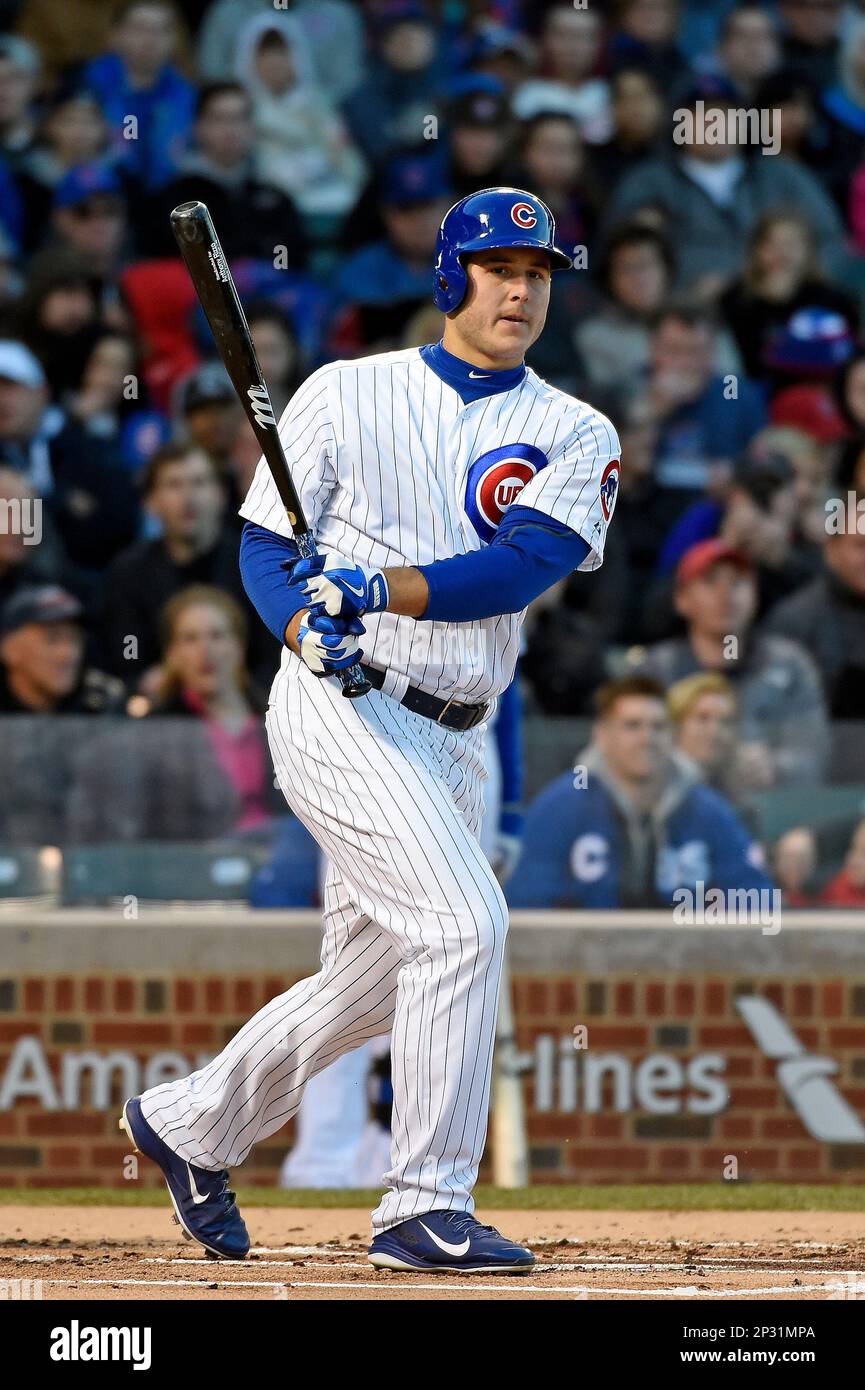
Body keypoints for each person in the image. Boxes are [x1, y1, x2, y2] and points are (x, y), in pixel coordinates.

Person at [119, 186, 620, 1273]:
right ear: (451, 278)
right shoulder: (344, 391)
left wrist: (371, 585)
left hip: (459, 729)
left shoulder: (577, 431)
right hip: (339, 705)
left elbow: (517, 567)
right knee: (464, 928)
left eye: (536, 274)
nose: (518, 291)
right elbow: (261, 549)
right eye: (497, 269)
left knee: (385, 976)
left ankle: (192, 1121)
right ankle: (423, 1201)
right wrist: (308, 622)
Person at [506, 675, 772, 910]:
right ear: (601, 734)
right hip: (580, 961)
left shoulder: (705, 807)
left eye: (658, 727)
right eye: (632, 726)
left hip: (686, 960)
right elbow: (526, 906)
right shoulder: (561, 805)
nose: (647, 738)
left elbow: (757, 900)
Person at [603, 75, 845, 295]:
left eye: (726, 115)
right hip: (682, 316)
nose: (715, 125)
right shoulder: (648, 182)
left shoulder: (783, 176)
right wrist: (684, 292)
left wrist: (798, 284)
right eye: (702, 115)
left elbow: (831, 241)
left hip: (778, 310)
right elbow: (618, 257)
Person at [634, 538, 830, 788]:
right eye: (710, 581)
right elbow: (625, 749)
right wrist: (679, 761)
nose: (725, 594)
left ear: (755, 596)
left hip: (767, 810)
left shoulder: (790, 666)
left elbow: (813, 753)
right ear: (681, 600)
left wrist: (774, 767)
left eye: (738, 582)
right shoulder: (655, 671)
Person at [101, 442, 279, 689]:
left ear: (221, 495)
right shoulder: (128, 573)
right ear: (151, 502)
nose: (188, 497)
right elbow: (127, 661)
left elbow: (273, 658)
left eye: (199, 482)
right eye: (174, 485)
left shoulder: (257, 563)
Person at [147, 585, 278, 831]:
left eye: (217, 636)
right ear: (172, 655)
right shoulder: (158, 730)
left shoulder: (278, 717)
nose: (205, 651)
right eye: (190, 639)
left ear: (239, 647)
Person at [143, 82, 308, 265]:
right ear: (198, 127)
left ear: (253, 127)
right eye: (219, 118)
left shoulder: (275, 199)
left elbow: (292, 262)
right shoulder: (175, 201)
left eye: (240, 118)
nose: (231, 129)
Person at [81, 0, 196, 191]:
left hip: (166, 196)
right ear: (115, 35)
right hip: (99, 194)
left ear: (175, 40)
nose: (151, 40)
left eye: (162, 30)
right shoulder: (88, 88)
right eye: (140, 29)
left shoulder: (186, 95)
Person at [0, 584, 125, 714]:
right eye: (52, 639)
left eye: (74, 639)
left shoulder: (102, 702)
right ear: (9, 649)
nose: (67, 654)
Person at [512, 4, 611, 143]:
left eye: (583, 37)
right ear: (546, 39)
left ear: (599, 43)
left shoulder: (615, 93)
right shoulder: (527, 97)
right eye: (563, 35)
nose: (573, 46)